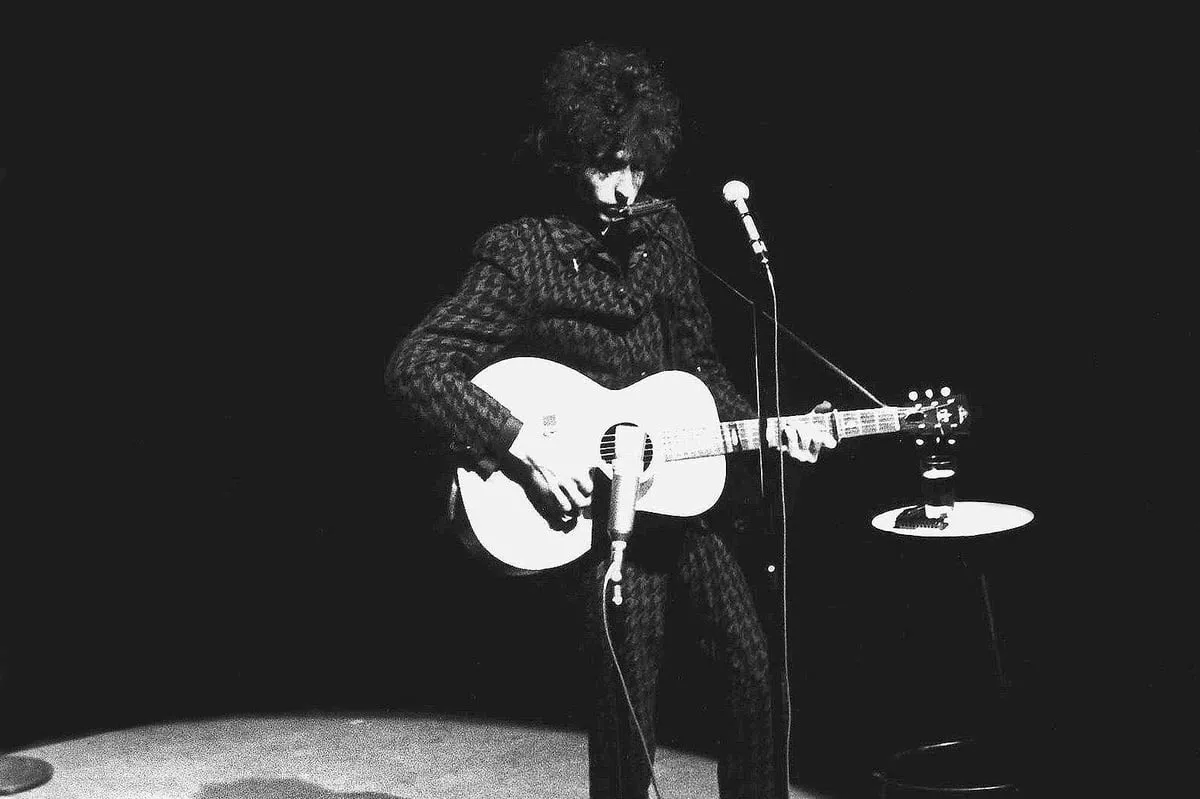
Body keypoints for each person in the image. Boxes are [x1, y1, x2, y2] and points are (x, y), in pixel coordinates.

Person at [385, 41, 836, 799]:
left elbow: (701, 367)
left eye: (636, 165)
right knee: (630, 690)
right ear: (569, 154)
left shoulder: (665, 236)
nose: (623, 186)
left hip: (674, 493)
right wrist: (525, 445)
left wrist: (767, 427)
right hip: (597, 511)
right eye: (605, 165)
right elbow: (416, 365)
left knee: (754, 669)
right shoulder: (522, 252)